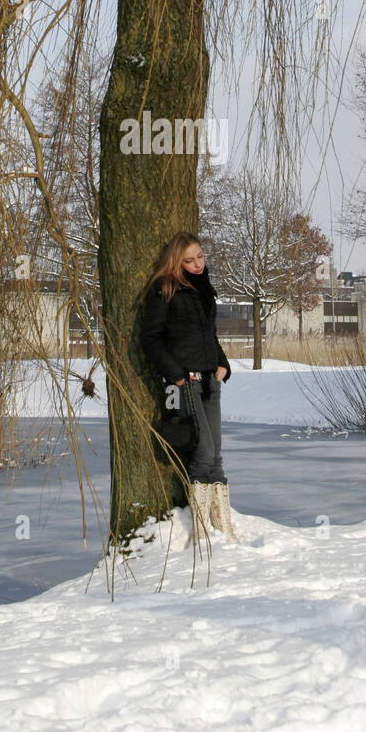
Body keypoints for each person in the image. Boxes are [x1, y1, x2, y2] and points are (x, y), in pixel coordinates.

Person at [139, 231, 239, 541]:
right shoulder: (164, 288)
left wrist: (224, 365)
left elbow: (209, 335)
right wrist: (176, 374)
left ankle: (222, 526)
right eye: (190, 260)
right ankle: (199, 530)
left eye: (200, 257)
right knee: (204, 451)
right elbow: (150, 338)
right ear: (176, 262)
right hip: (186, 383)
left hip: (211, 379)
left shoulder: (204, 288)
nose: (198, 264)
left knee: (217, 454)